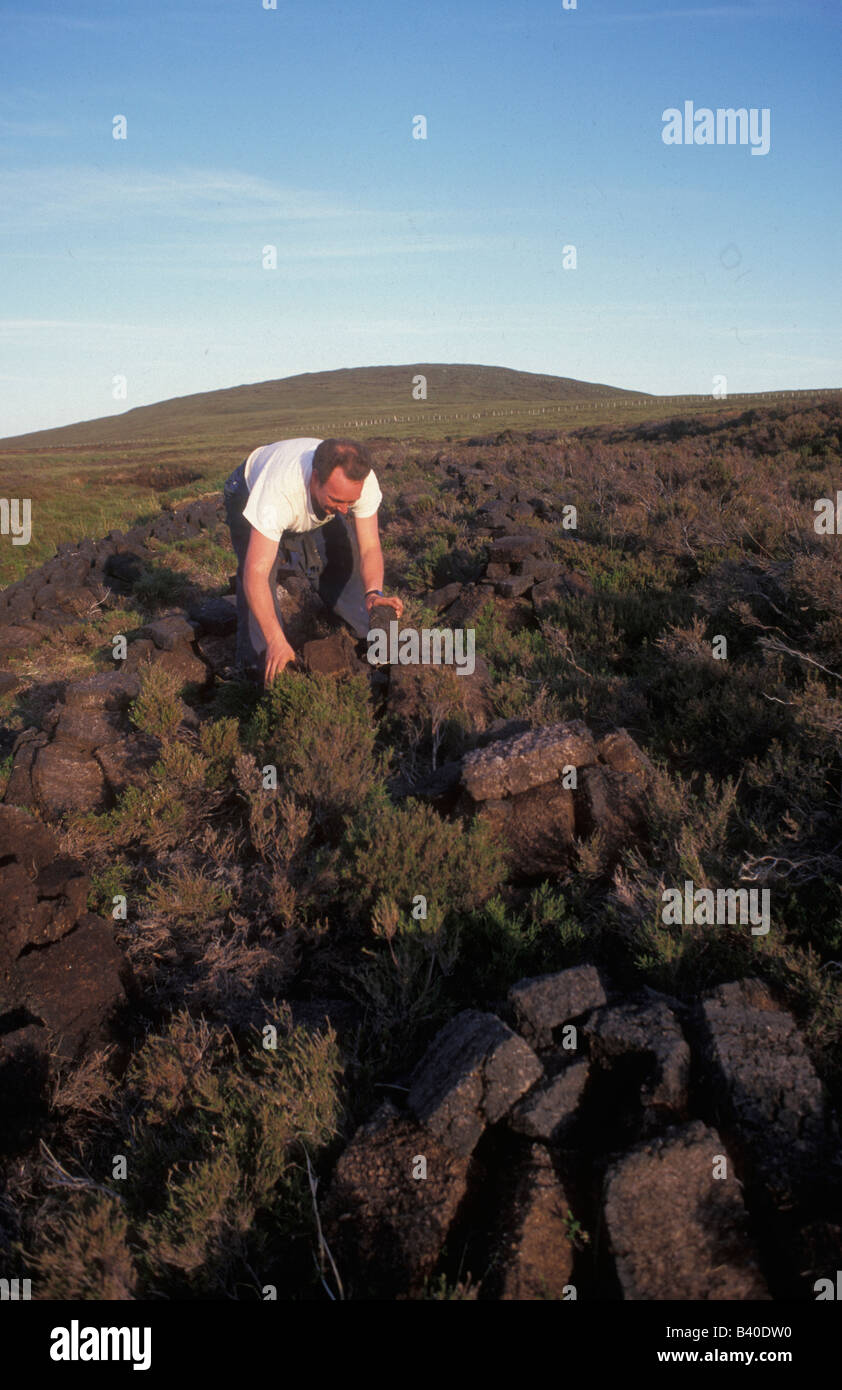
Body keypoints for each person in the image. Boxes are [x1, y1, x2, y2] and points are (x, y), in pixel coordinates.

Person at [222, 436, 404, 684]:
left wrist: (373, 591)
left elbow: (370, 546)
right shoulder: (278, 493)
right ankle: (258, 670)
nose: (344, 510)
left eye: (350, 503)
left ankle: (368, 640)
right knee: (259, 577)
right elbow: (257, 574)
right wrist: (276, 639)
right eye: (338, 501)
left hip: (304, 499)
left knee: (340, 557)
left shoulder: (360, 480)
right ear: (315, 478)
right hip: (247, 489)